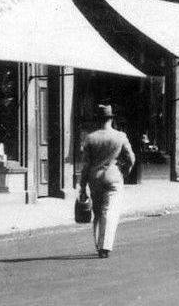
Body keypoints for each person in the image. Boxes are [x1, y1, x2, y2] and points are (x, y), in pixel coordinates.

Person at [79, 104, 135, 258]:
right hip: (113, 175)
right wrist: (126, 170)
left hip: (94, 177)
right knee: (110, 211)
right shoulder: (120, 136)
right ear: (111, 118)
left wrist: (82, 187)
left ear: (98, 119)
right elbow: (131, 157)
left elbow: (85, 165)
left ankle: (98, 244)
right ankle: (105, 246)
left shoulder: (90, 138)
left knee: (97, 212)